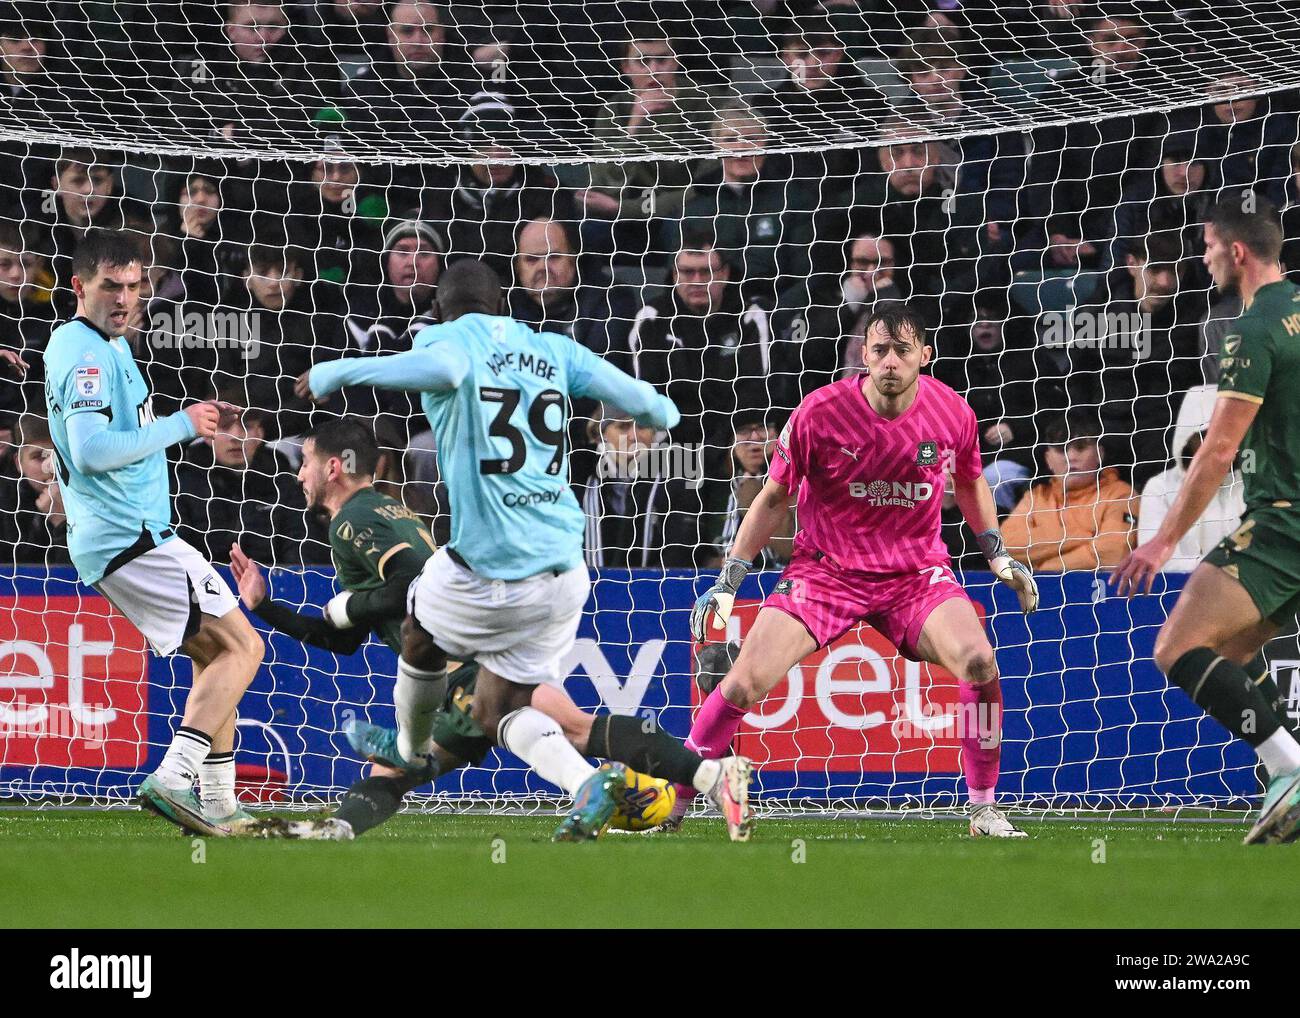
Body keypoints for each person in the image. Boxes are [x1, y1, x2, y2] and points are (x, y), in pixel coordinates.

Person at [296, 259, 753, 841]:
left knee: (419, 631)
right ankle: (707, 776)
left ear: (438, 310)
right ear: (504, 304)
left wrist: (335, 371)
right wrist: (659, 413)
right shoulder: (556, 351)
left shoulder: (448, 341)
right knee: (500, 708)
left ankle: (408, 747)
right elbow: (656, 408)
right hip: (565, 570)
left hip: (490, 566)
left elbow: (432, 365)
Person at [680, 305, 1040, 839]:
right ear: (863, 356)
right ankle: (671, 801)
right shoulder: (818, 414)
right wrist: (730, 580)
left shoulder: (954, 414)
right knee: (742, 684)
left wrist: (997, 554)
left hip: (916, 575)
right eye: (879, 350)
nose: (890, 361)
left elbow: (970, 484)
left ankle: (984, 809)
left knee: (980, 663)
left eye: (902, 350)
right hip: (825, 573)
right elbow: (773, 498)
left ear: (925, 354)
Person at [230, 417, 679, 839]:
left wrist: (345, 607)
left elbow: (410, 588)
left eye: (305, 462)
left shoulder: (354, 521)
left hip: (471, 662)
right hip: (459, 667)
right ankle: (336, 831)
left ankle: (681, 782)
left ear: (333, 467)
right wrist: (266, 606)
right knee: (392, 771)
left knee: (571, 726)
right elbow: (347, 640)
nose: (299, 474)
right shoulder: (387, 512)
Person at [42, 228, 264, 836]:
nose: (123, 298)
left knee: (216, 656)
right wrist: (180, 425)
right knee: (247, 648)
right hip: (131, 536)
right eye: (110, 286)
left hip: (123, 538)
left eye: (134, 286)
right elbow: (89, 453)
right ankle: (174, 777)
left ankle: (219, 803)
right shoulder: (84, 352)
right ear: (78, 287)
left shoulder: (107, 347)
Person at [1113, 197, 1300, 844]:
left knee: (1176, 647)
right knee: (1236, 649)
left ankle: (1290, 768)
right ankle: (1282, 778)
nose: (1203, 258)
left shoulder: (1250, 330)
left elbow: (1218, 449)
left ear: (1238, 252)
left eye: (1208, 247)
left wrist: (1162, 541)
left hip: (1284, 521)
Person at [1000, 415, 1138, 573]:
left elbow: (1112, 555)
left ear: (1099, 453)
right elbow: (1003, 548)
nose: (1071, 457)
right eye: (1060, 449)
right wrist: (1081, 536)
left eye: (1080, 447)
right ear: (1048, 459)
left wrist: (1042, 570)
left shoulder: (1121, 494)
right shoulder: (1036, 497)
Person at [1138, 383, 1245, 571]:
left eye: (1228, 433)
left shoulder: (1256, 486)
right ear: (1186, 437)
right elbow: (1159, 563)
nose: (1219, 443)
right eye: (1206, 435)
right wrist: (1229, 567)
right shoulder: (1160, 487)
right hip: (1175, 594)